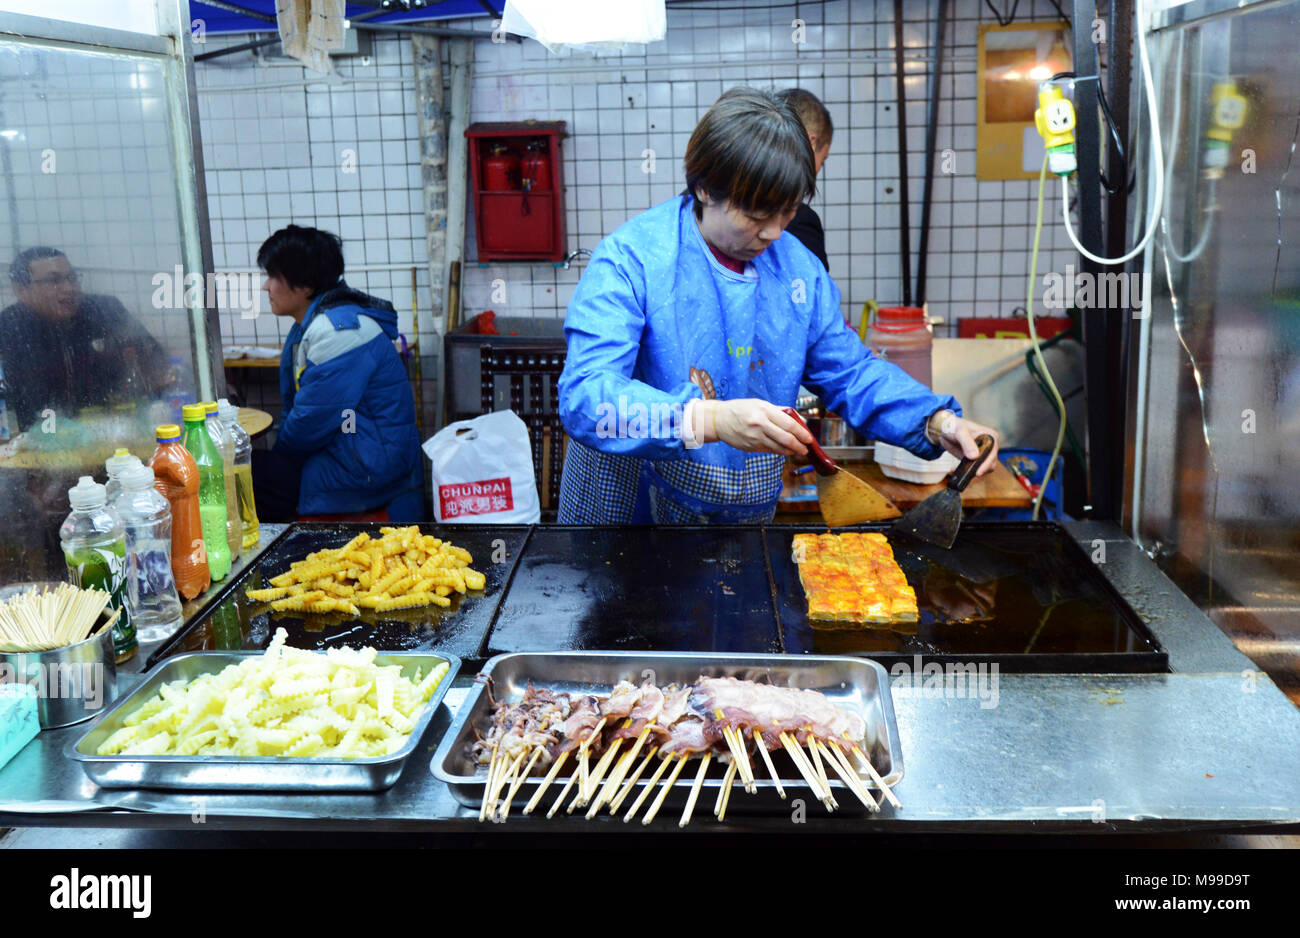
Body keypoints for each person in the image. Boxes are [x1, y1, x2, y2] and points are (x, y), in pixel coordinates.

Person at [557, 87, 998, 525]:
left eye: (787, 212)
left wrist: (937, 421)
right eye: (756, 215)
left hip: (735, 512)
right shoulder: (633, 259)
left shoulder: (797, 271)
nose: (772, 233)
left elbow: (850, 371)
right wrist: (708, 419)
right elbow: (585, 397)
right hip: (625, 518)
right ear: (705, 188)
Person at [252, 225, 423, 521]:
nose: (266, 286)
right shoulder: (324, 321)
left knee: (249, 478)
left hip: (368, 467)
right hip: (358, 452)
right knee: (255, 469)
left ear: (304, 285)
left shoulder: (337, 333)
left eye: (273, 277)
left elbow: (310, 423)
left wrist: (281, 457)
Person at [0, 247, 171, 431]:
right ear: (20, 290)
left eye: (71, 278)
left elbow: (157, 364)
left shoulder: (105, 311)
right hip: (36, 440)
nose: (69, 288)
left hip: (111, 431)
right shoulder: (8, 327)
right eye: (53, 281)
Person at [774, 88, 833, 270]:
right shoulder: (797, 218)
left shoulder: (692, 203)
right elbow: (815, 296)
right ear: (809, 144)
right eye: (821, 162)